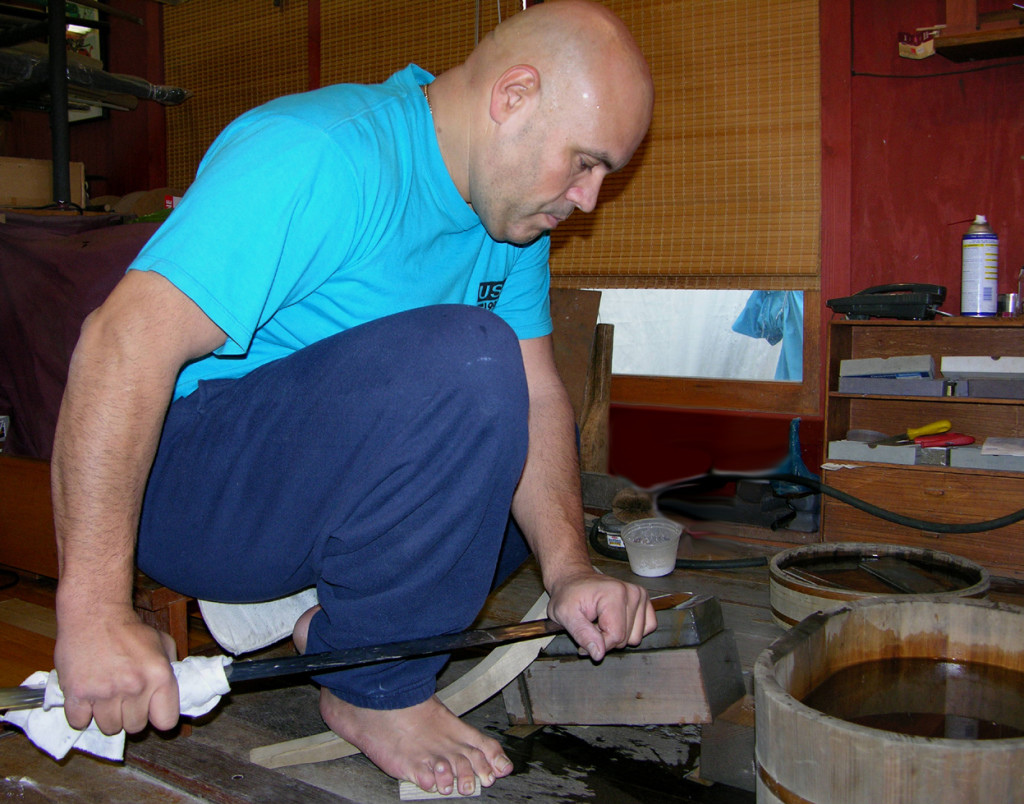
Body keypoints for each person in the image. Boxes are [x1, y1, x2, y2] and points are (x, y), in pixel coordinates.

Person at [50, 0, 656, 796]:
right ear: (513, 97)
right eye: (584, 162)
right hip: (190, 484)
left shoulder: (515, 226)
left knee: (531, 482)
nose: (588, 198)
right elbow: (117, 345)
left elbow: (540, 398)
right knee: (474, 360)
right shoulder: (324, 154)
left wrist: (571, 568)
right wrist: (92, 613)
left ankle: (331, 626)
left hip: (318, 491)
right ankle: (375, 689)